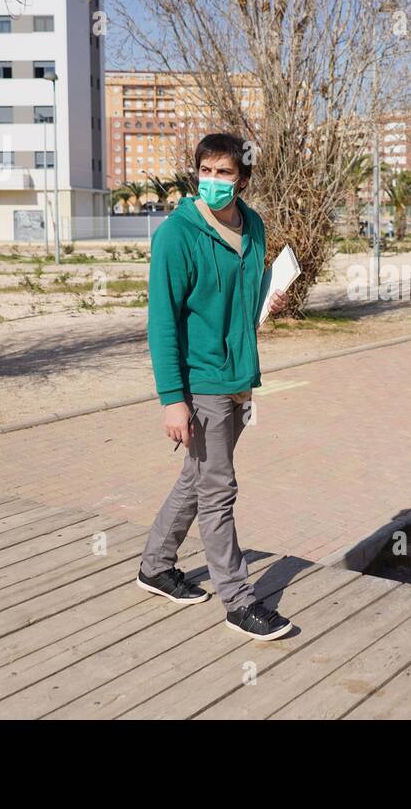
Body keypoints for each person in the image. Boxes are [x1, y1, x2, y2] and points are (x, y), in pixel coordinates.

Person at [137, 132, 293, 641]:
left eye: (224, 173)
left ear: (243, 179)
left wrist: (269, 301)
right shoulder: (176, 235)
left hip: (240, 377)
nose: (213, 182)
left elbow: (243, 304)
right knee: (219, 489)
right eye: (206, 171)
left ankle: (156, 565)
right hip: (199, 379)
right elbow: (162, 321)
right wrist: (172, 400)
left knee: (199, 477)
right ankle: (239, 600)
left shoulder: (254, 226)